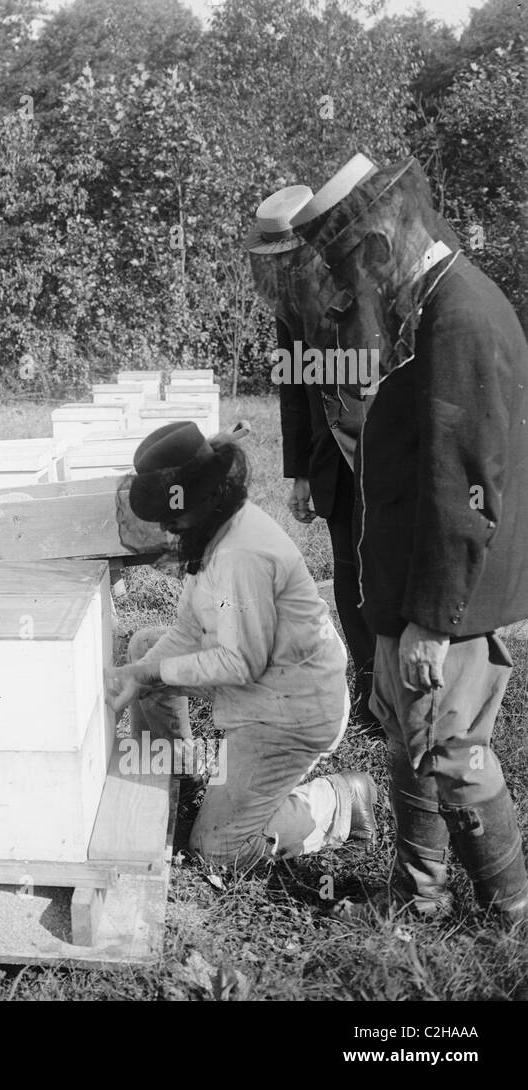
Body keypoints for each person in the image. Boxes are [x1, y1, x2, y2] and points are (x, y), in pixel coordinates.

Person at [293, 153, 528, 924]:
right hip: (406, 585)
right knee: (408, 735)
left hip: (443, 599)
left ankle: (510, 910)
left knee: (454, 753)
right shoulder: (432, 305)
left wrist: (432, 619)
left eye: (353, 270)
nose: (356, 292)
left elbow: (464, 487)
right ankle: (418, 895)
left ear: (381, 246)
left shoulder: (459, 316)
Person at [107, 420, 378, 870]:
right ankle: (182, 772)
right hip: (260, 679)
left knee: (218, 850)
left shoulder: (242, 554)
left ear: (205, 496)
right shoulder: (213, 531)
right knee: (144, 648)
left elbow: (238, 663)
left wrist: (149, 674)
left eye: (174, 516)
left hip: (292, 711)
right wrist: (138, 674)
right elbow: (187, 631)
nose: (170, 527)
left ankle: (340, 799)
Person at [245, 178, 382, 738]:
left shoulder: (364, 281)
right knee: (347, 579)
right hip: (331, 462)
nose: (285, 262)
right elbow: (294, 393)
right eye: (276, 254)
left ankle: (402, 696)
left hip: (381, 454)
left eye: (292, 249)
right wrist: (299, 472)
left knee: (385, 574)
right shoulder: (287, 303)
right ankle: (372, 695)